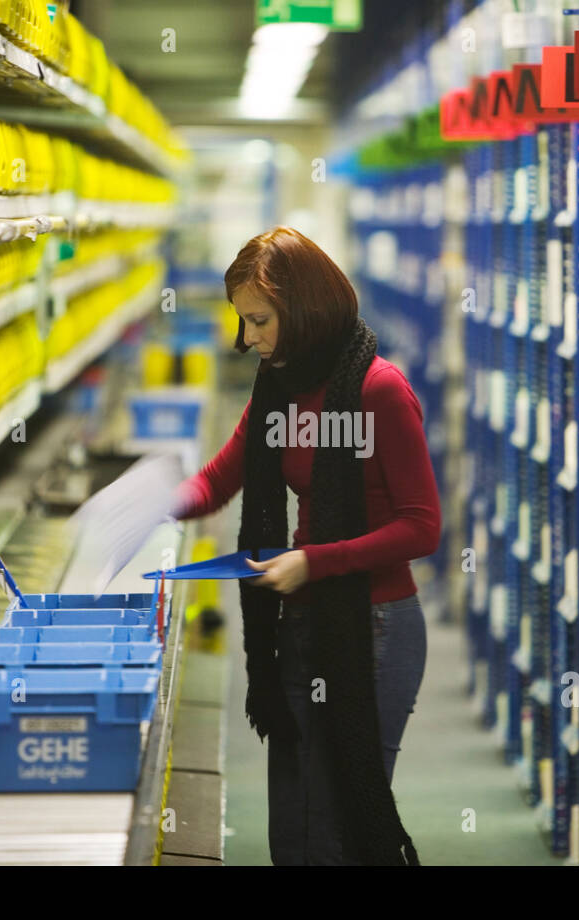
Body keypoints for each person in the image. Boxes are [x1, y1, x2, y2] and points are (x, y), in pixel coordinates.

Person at [170, 226, 442, 866]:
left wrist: (314, 561)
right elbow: (221, 477)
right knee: (293, 833)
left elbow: (421, 526)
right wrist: (141, 509)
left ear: (304, 309)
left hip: (372, 629)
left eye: (259, 321)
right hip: (305, 622)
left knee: (336, 831)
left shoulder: (378, 390)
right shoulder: (278, 389)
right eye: (243, 323)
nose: (248, 340)